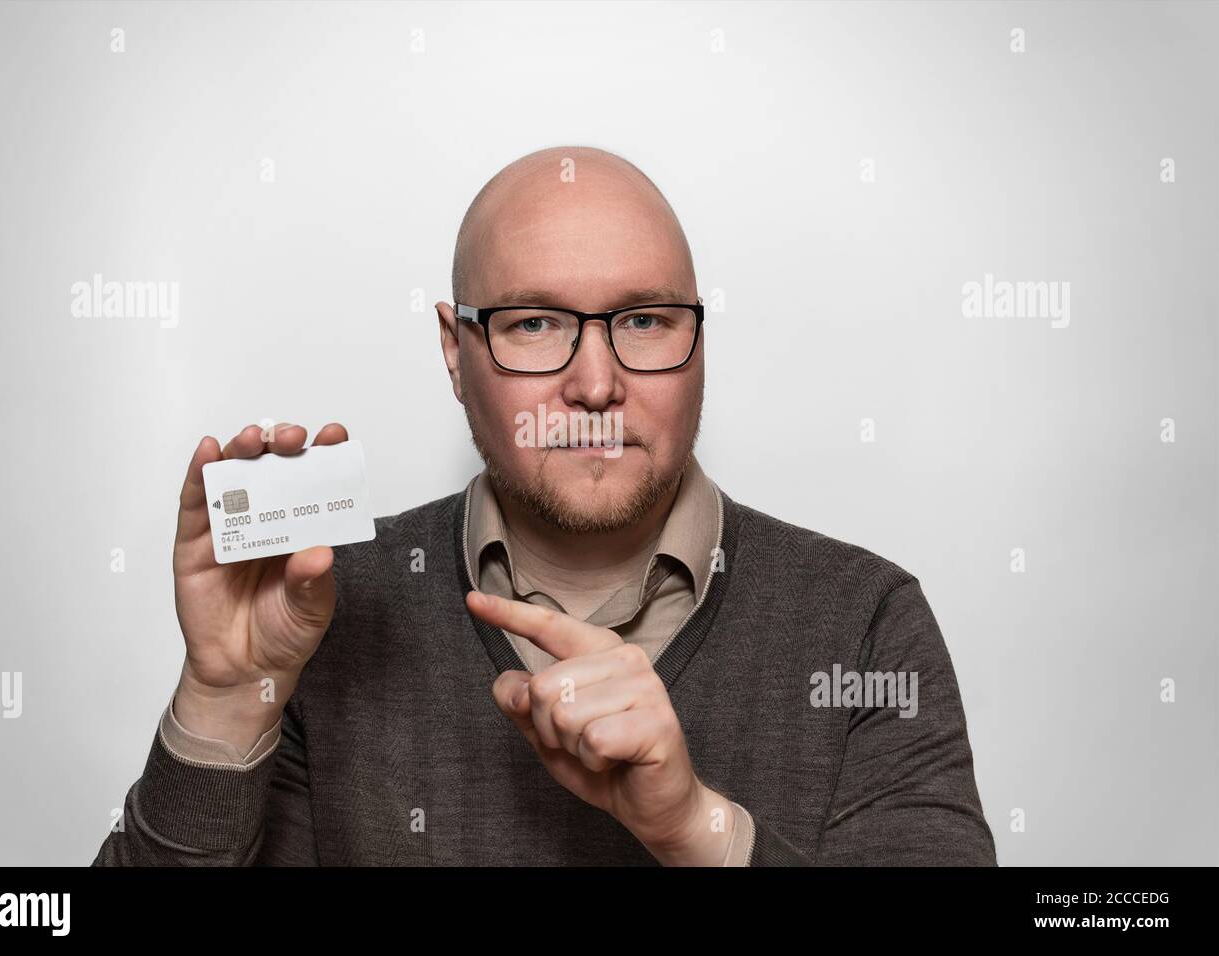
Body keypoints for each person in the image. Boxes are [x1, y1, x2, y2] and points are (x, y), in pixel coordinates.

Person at [93, 146, 996, 866]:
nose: (595, 384)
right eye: (534, 325)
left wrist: (696, 830)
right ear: (456, 350)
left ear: (701, 337)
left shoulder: (862, 619)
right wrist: (223, 703)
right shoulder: (326, 611)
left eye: (644, 320)